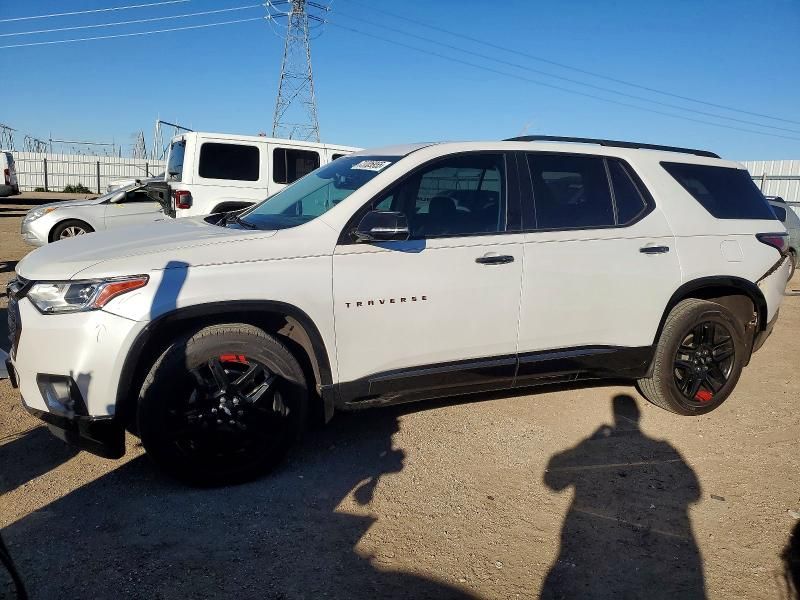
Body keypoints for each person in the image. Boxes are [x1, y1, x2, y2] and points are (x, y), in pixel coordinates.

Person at [541, 394, 705, 599]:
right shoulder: (665, 449)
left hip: (591, 549)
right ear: (639, 415)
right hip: (660, 553)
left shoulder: (600, 445)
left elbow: (553, 482)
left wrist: (585, 445)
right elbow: (695, 494)